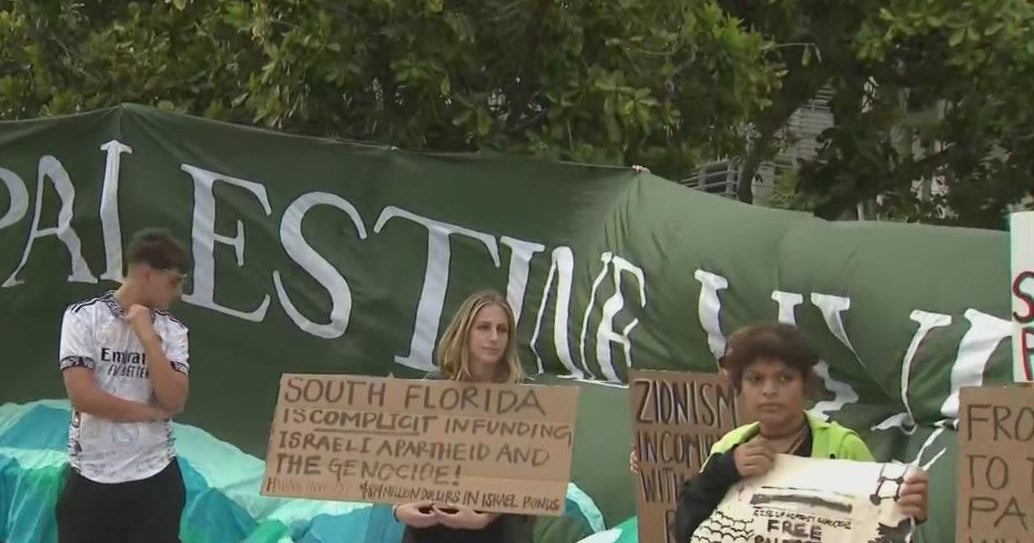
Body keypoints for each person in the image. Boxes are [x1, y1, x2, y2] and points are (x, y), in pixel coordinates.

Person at [672, 323, 929, 541]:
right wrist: (726, 470)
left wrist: (908, 511)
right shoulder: (729, 447)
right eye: (755, 379)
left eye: (784, 378)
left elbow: (880, 527)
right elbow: (687, 528)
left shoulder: (842, 446)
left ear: (805, 384)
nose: (769, 391)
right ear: (739, 386)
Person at [55, 228, 191, 543]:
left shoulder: (173, 331)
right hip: (91, 477)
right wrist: (149, 413)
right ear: (146, 273)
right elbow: (83, 396)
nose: (178, 293)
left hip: (155, 478)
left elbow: (174, 401)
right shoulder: (82, 318)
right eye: (173, 281)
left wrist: (148, 338)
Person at [392, 290, 534, 543]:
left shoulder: (524, 398)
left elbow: (534, 477)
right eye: (483, 328)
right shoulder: (432, 388)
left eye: (502, 330)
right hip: (430, 529)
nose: (493, 337)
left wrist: (485, 517)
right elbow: (399, 460)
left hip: (497, 533)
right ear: (464, 332)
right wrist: (398, 509)